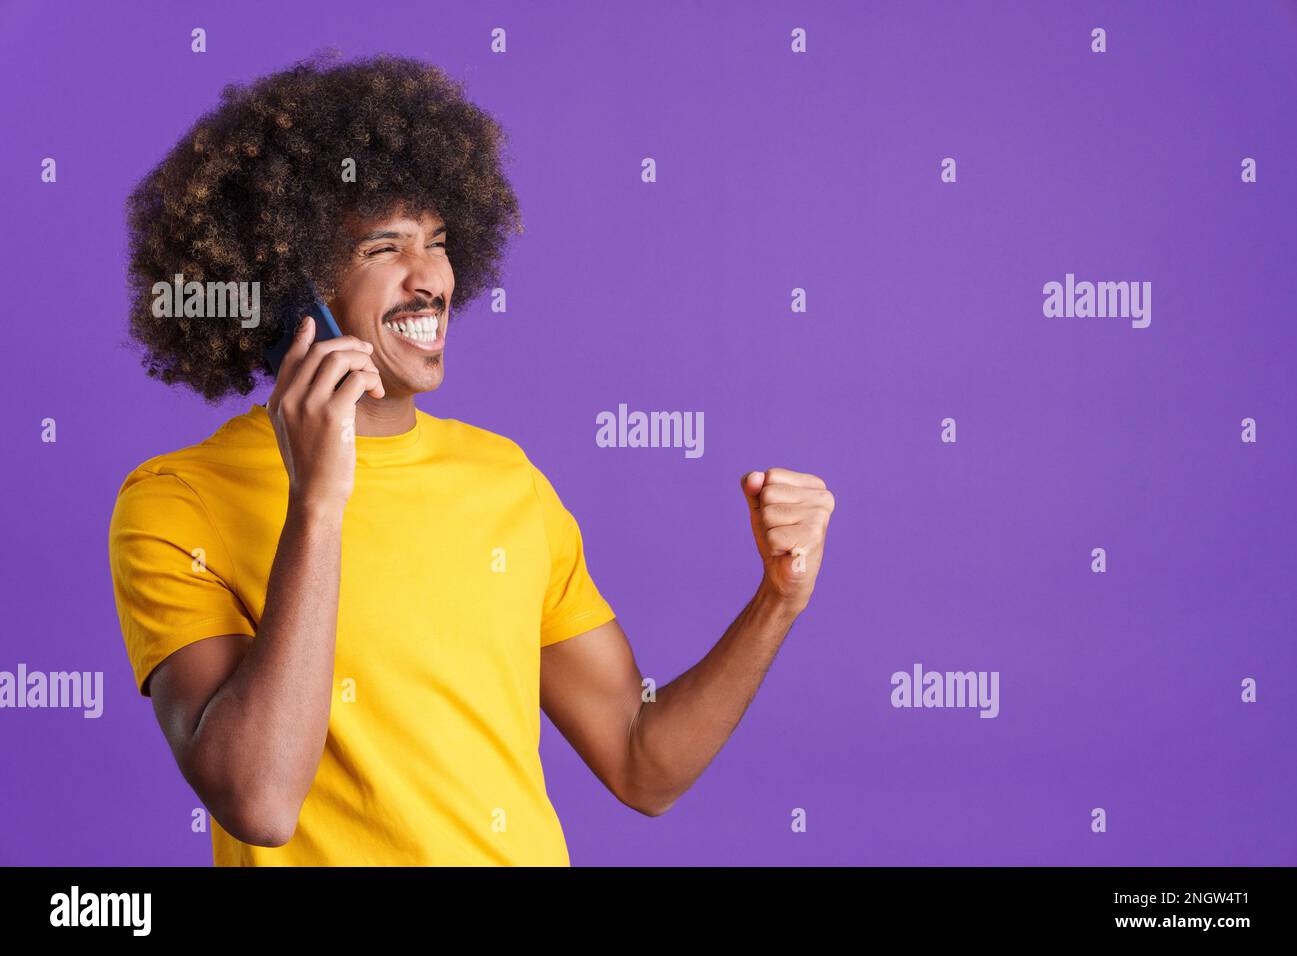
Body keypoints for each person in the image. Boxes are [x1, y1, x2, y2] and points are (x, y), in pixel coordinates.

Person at [107, 53, 835, 866]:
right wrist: (316, 501)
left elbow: (642, 764)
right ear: (290, 288)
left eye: (440, 243)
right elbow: (260, 798)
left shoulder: (506, 483)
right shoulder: (178, 501)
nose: (430, 281)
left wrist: (777, 600)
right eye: (385, 247)